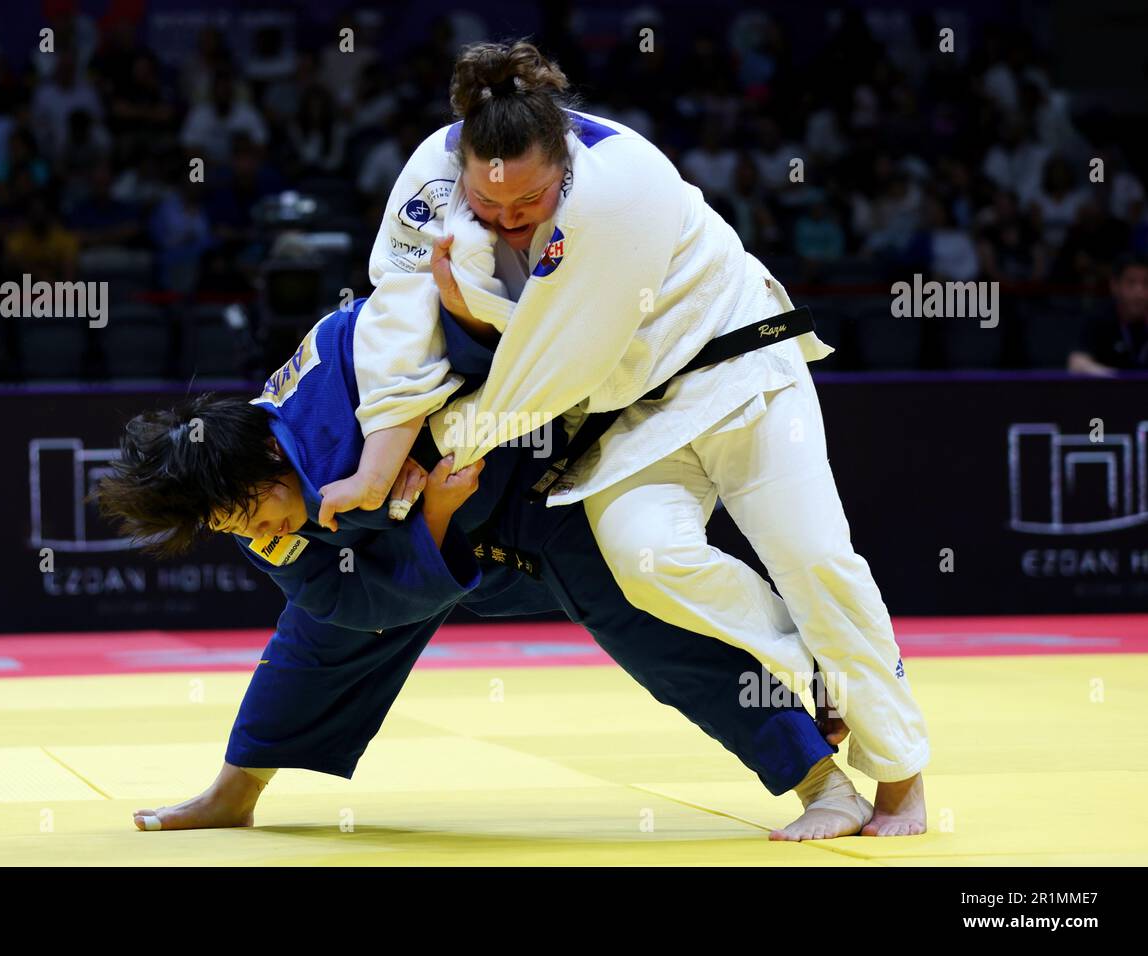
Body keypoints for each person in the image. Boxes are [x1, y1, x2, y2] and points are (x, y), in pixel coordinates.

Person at [323, 39, 929, 836]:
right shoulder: (429, 179)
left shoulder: (619, 182)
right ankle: (814, 667)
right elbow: (398, 319)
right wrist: (375, 468)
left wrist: (447, 445)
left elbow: (552, 368)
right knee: (650, 563)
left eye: (528, 204)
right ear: (462, 166)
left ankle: (901, 780)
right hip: (626, 419)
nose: (506, 219)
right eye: (488, 202)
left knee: (814, 557)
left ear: (562, 165)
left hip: (735, 369)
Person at [93, 294, 872, 841]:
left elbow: (496, 336)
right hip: (438, 533)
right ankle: (236, 792)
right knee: (315, 632)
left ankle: (819, 780)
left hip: (540, 488)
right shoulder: (247, 497)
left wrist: (463, 310)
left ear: (268, 451)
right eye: (231, 527)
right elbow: (347, 602)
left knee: (638, 619)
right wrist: (429, 514)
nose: (255, 533)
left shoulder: (357, 360)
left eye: (251, 513)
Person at [1067, 253, 1148, 375]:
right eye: (1131, 283)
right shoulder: (1098, 318)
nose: (1139, 292)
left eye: (1146, 283)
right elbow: (1077, 363)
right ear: (1115, 286)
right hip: (1110, 391)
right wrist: (1116, 380)